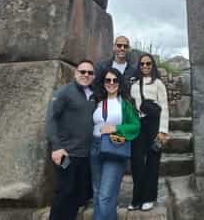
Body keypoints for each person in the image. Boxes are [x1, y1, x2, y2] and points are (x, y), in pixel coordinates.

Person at [45, 60, 97, 220]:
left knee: (78, 197)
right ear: (76, 73)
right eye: (83, 72)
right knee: (65, 194)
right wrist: (56, 147)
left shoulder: (94, 94)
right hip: (67, 153)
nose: (86, 75)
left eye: (89, 73)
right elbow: (51, 119)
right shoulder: (64, 92)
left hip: (86, 155)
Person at [90, 68, 140, 220]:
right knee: (98, 192)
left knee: (105, 195)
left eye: (115, 80)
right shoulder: (97, 102)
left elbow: (136, 126)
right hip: (95, 147)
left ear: (119, 82)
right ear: (103, 83)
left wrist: (116, 128)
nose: (111, 83)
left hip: (114, 147)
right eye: (108, 80)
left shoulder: (125, 103)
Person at [127, 54, 169, 211]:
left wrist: (163, 131)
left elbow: (164, 107)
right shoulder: (134, 83)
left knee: (152, 161)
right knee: (137, 162)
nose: (145, 66)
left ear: (153, 65)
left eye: (148, 63)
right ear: (139, 65)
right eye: (142, 63)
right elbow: (131, 104)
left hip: (153, 124)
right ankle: (137, 198)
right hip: (139, 123)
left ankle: (149, 197)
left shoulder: (158, 83)